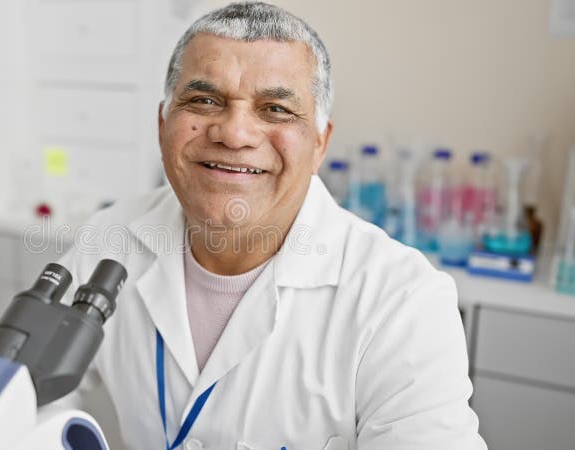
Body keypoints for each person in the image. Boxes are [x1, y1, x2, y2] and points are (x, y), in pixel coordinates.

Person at [56, 2, 487, 449]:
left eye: (276, 109)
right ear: (163, 122)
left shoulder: (403, 301)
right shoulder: (108, 238)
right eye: (204, 100)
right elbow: (24, 398)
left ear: (320, 142)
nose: (235, 133)